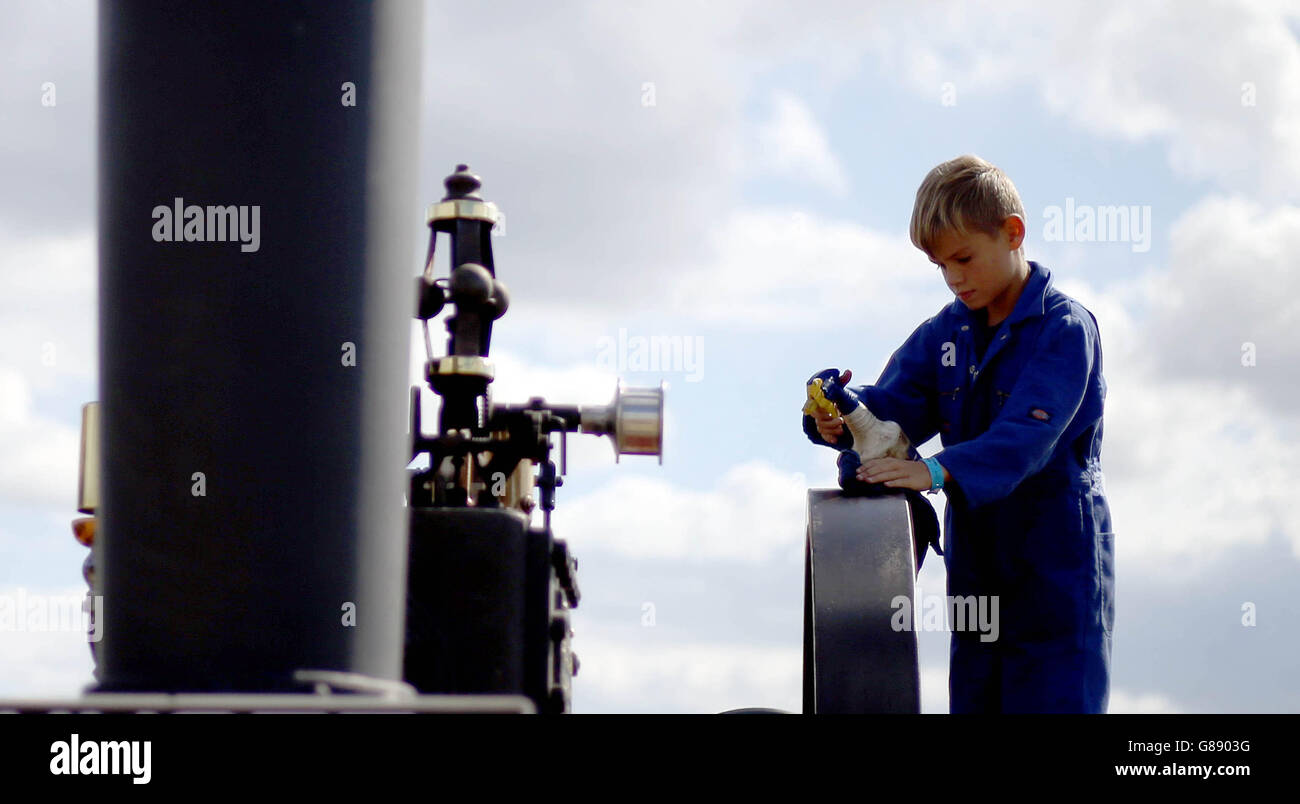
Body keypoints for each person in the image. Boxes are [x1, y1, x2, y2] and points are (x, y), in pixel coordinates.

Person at [802, 155, 1114, 713]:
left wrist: (935, 471)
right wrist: (836, 418)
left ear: (1013, 232)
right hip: (976, 573)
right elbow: (889, 411)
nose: (954, 278)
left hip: (1056, 577)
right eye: (939, 265)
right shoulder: (944, 334)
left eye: (964, 258)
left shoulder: (1065, 331)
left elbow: (1027, 436)